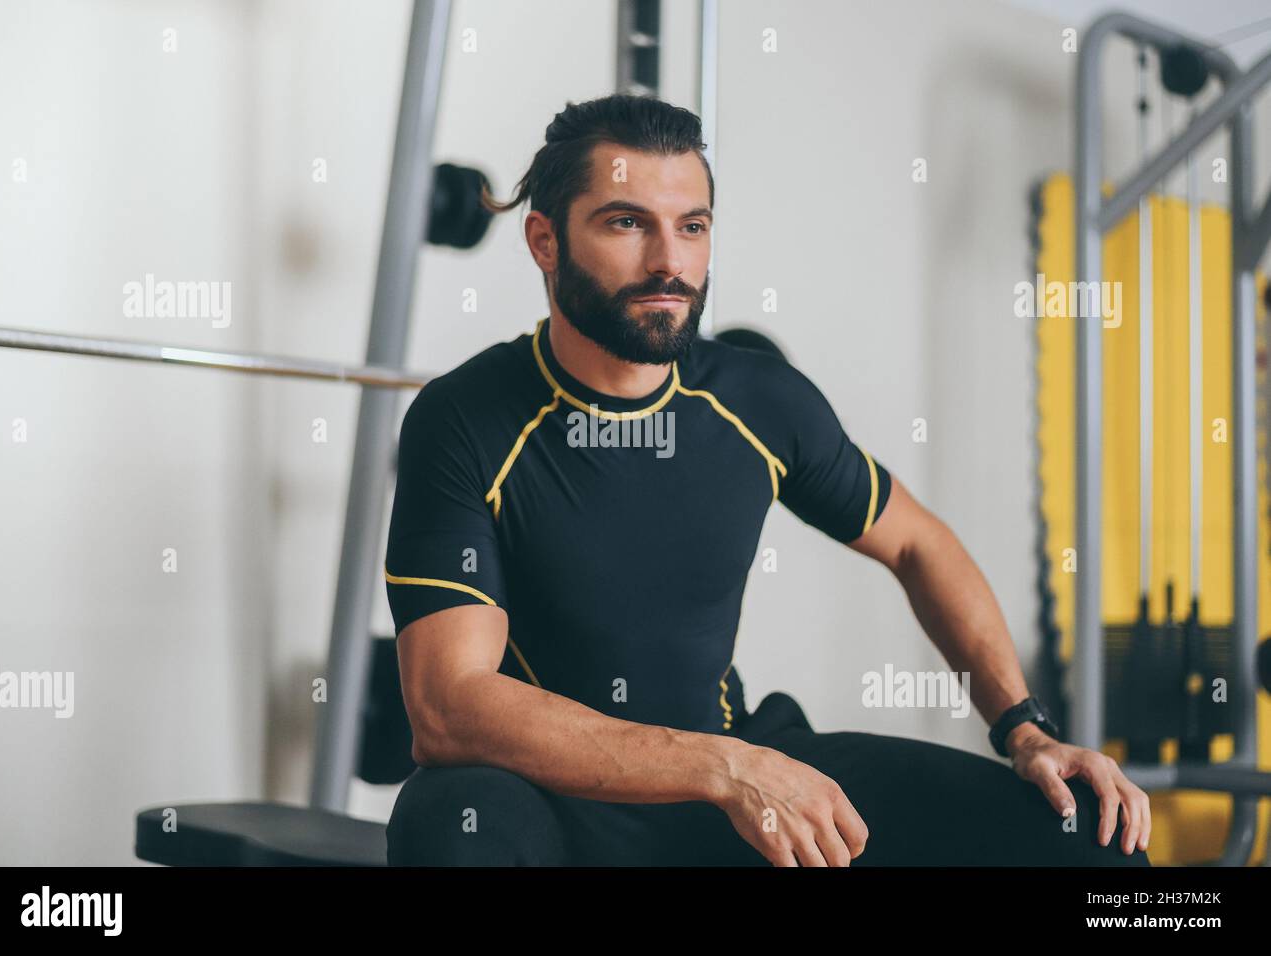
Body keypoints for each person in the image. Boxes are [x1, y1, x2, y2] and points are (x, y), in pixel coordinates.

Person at [382, 93, 1150, 866]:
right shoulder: (464, 419)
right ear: (545, 242)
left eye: (692, 227)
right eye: (627, 223)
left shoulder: (756, 400)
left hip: (732, 784)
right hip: (547, 798)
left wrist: (1024, 728)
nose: (669, 263)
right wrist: (724, 767)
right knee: (452, 827)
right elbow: (450, 705)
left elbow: (917, 542)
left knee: (1084, 835)